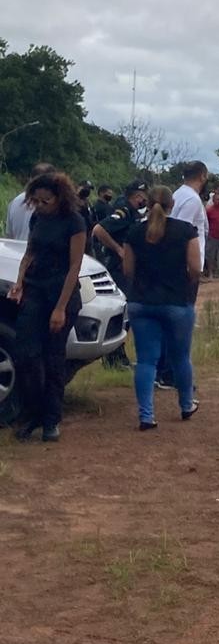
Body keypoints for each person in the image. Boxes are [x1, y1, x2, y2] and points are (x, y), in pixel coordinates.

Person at [6, 171, 85, 442]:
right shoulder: (38, 218)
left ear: (59, 198)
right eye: (36, 201)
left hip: (61, 293)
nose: (39, 206)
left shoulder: (74, 221)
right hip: (35, 291)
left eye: (45, 201)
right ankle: (33, 413)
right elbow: (30, 252)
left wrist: (60, 308)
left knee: (54, 358)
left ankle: (51, 420)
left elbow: (75, 266)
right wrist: (19, 282)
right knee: (26, 353)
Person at [123, 186, 200, 430]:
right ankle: (186, 405)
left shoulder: (134, 232)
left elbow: (127, 270)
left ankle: (146, 416)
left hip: (141, 302)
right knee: (180, 357)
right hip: (176, 302)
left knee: (146, 361)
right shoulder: (186, 231)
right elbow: (196, 268)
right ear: (172, 204)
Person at [92, 179, 149, 370]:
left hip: (122, 268)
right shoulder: (123, 211)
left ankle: (118, 355)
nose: (144, 201)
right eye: (143, 197)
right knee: (121, 312)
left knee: (124, 313)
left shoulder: (129, 211)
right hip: (117, 268)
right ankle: (113, 357)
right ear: (137, 196)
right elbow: (99, 230)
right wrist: (118, 249)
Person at [171, 161, 210, 275]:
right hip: (187, 264)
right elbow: (182, 232)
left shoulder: (178, 194)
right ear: (202, 176)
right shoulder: (192, 199)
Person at [5, 162, 55, 241]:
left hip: (15, 251)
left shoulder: (14, 202)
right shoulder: (50, 205)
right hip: (38, 252)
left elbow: (9, 237)